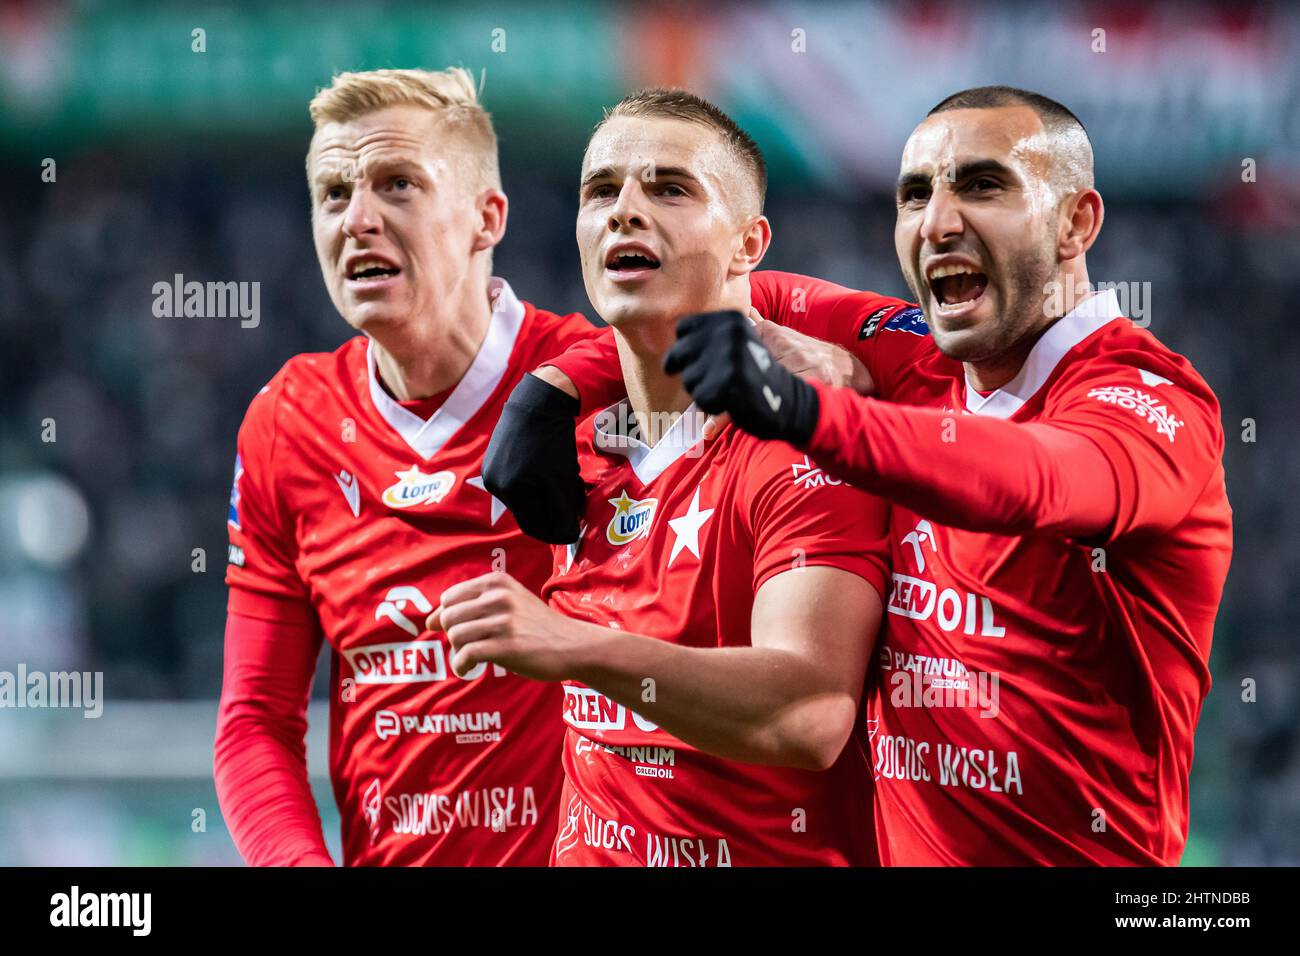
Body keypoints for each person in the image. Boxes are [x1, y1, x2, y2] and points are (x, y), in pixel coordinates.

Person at [214, 68, 908, 866]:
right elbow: (255, 721)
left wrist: (841, 351)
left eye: (398, 185)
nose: (359, 219)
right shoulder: (288, 420)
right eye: (332, 195)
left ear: (487, 217)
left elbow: (707, 299)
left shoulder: (590, 386)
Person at [660, 87, 1233, 864]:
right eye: (915, 195)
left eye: (982, 184)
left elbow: (1035, 479)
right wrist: (560, 386)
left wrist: (807, 412)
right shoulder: (913, 359)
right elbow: (701, 283)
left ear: (1077, 222)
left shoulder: (1149, 406)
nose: (938, 222)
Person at [431, 89, 893, 866]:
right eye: (601, 191)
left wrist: (575, 646)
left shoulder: (803, 447)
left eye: (669, 187)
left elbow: (809, 715)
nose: (624, 211)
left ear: (749, 243)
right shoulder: (570, 453)